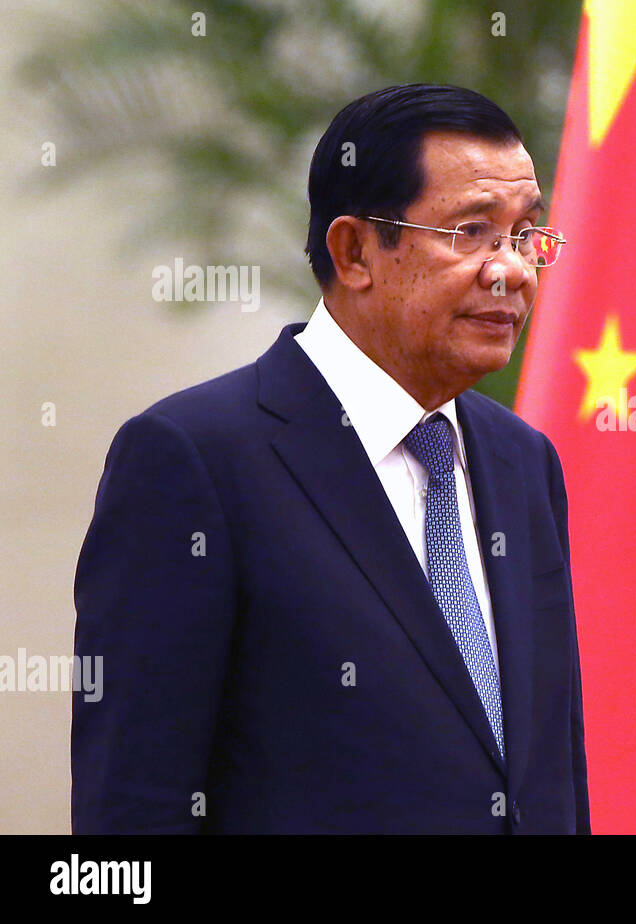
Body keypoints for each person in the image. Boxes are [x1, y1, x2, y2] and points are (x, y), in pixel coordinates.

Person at [72, 84, 589, 834]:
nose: (511, 271)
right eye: (472, 232)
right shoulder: (196, 461)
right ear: (353, 252)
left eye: (525, 235)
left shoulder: (523, 462)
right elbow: (133, 813)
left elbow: (552, 778)